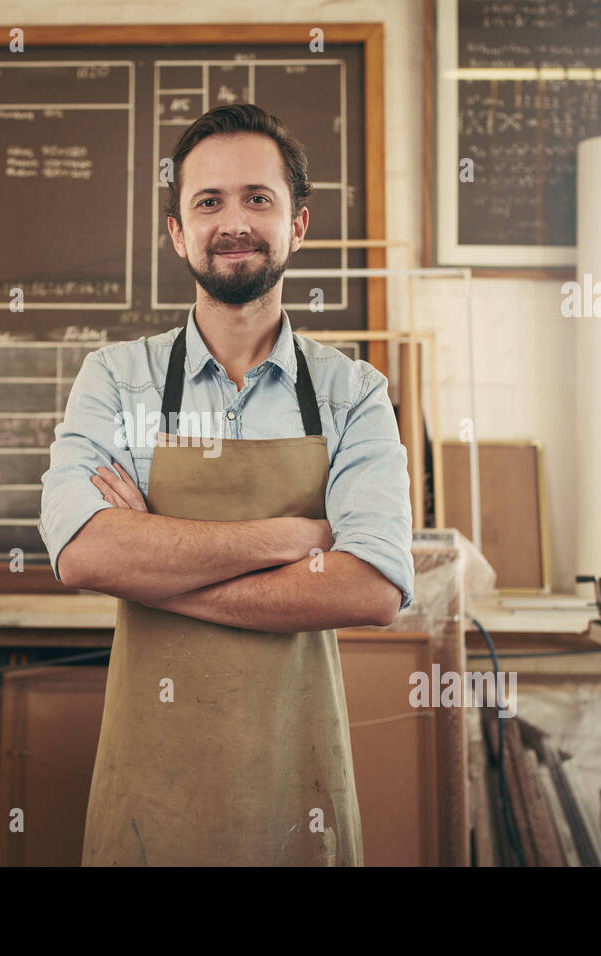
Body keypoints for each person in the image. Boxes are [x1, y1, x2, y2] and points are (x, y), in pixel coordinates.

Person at [39, 103, 414, 866]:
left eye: (258, 199)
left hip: (298, 788)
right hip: (149, 795)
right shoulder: (117, 378)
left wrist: (156, 568)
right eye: (207, 202)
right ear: (177, 231)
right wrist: (292, 540)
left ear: (298, 225)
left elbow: (372, 586)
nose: (233, 222)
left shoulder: (355, 393)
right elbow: (82, 553)